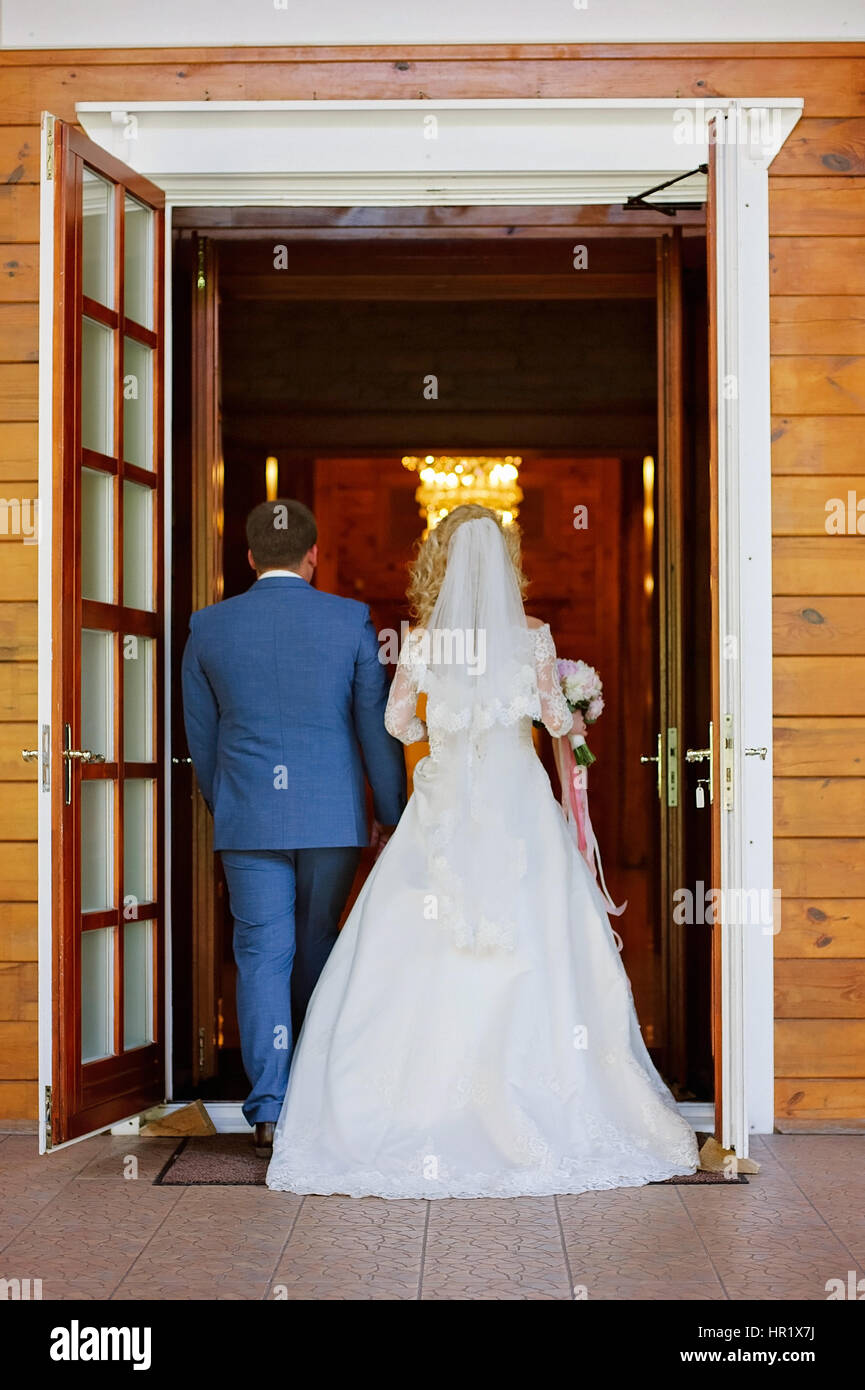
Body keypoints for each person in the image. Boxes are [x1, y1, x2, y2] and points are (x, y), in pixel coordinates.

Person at [266, 503, 699, 1198]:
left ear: (438, 559)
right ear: (505, 563)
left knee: (415, 946)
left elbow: (396, 720)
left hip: (442, 812)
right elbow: (557, 720)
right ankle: (546, 1104)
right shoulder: (531, 638)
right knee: (537, 944)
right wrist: (574, 702)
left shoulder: (423, 642)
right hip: (516, 810)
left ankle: (407, 1108)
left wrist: (450, 724)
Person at [181, 499, 406, 1156]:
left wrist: (225, 807)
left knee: (260, 956)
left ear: (249, 558)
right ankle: (313, 1094)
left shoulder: (209, 626)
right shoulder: (348, 620)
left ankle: (270, 1109)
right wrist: (392, 814)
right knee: (316, 946)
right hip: (331, 816)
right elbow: (373, 726)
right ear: (314, 556)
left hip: (249, 818)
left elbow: (202, 736)